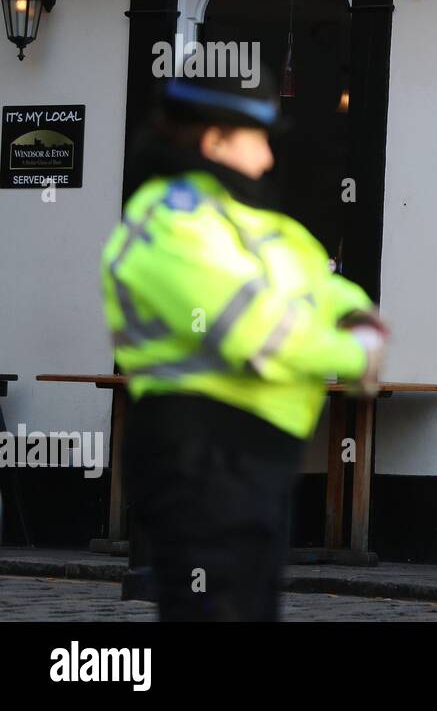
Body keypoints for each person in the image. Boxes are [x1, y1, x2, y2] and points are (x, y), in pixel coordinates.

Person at [102, 66, 388, 621]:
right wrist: (356, 354)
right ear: (214, 140)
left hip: (251, 455)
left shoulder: (242, 218)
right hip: (201, 451)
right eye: (257, 139)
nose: (268, 158)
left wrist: (353, 311)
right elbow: (257, 332)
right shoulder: (173, 222)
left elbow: (315, 276)